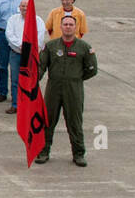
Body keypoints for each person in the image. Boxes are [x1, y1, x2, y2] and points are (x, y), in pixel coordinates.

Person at [35, 15, 98, 166]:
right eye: (65, 24)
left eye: (71, 24)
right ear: (60, 27)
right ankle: (43, 152)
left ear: (75, 27)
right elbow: (41, 66)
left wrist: (76, 78)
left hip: (74, 89)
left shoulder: (84, 47)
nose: (68, 27)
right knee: (47, 121)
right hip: (53, 88)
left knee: (74, 122)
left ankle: (79, 154)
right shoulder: (50, 46)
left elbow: (92, 69)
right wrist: (32, 80)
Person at [5, 0, 48, 114]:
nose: (24, 8)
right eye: (22, 6)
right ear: (19, 7)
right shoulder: (13, 19)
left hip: (30, 56)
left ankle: (29, 105)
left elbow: (39, 37)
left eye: (27, 6)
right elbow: (9, 35)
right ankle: (15, 104)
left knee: (30, 80)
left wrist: (27, 46)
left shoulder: (38, 21)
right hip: (16, 54)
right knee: (15, 80)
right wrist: (21, 45)